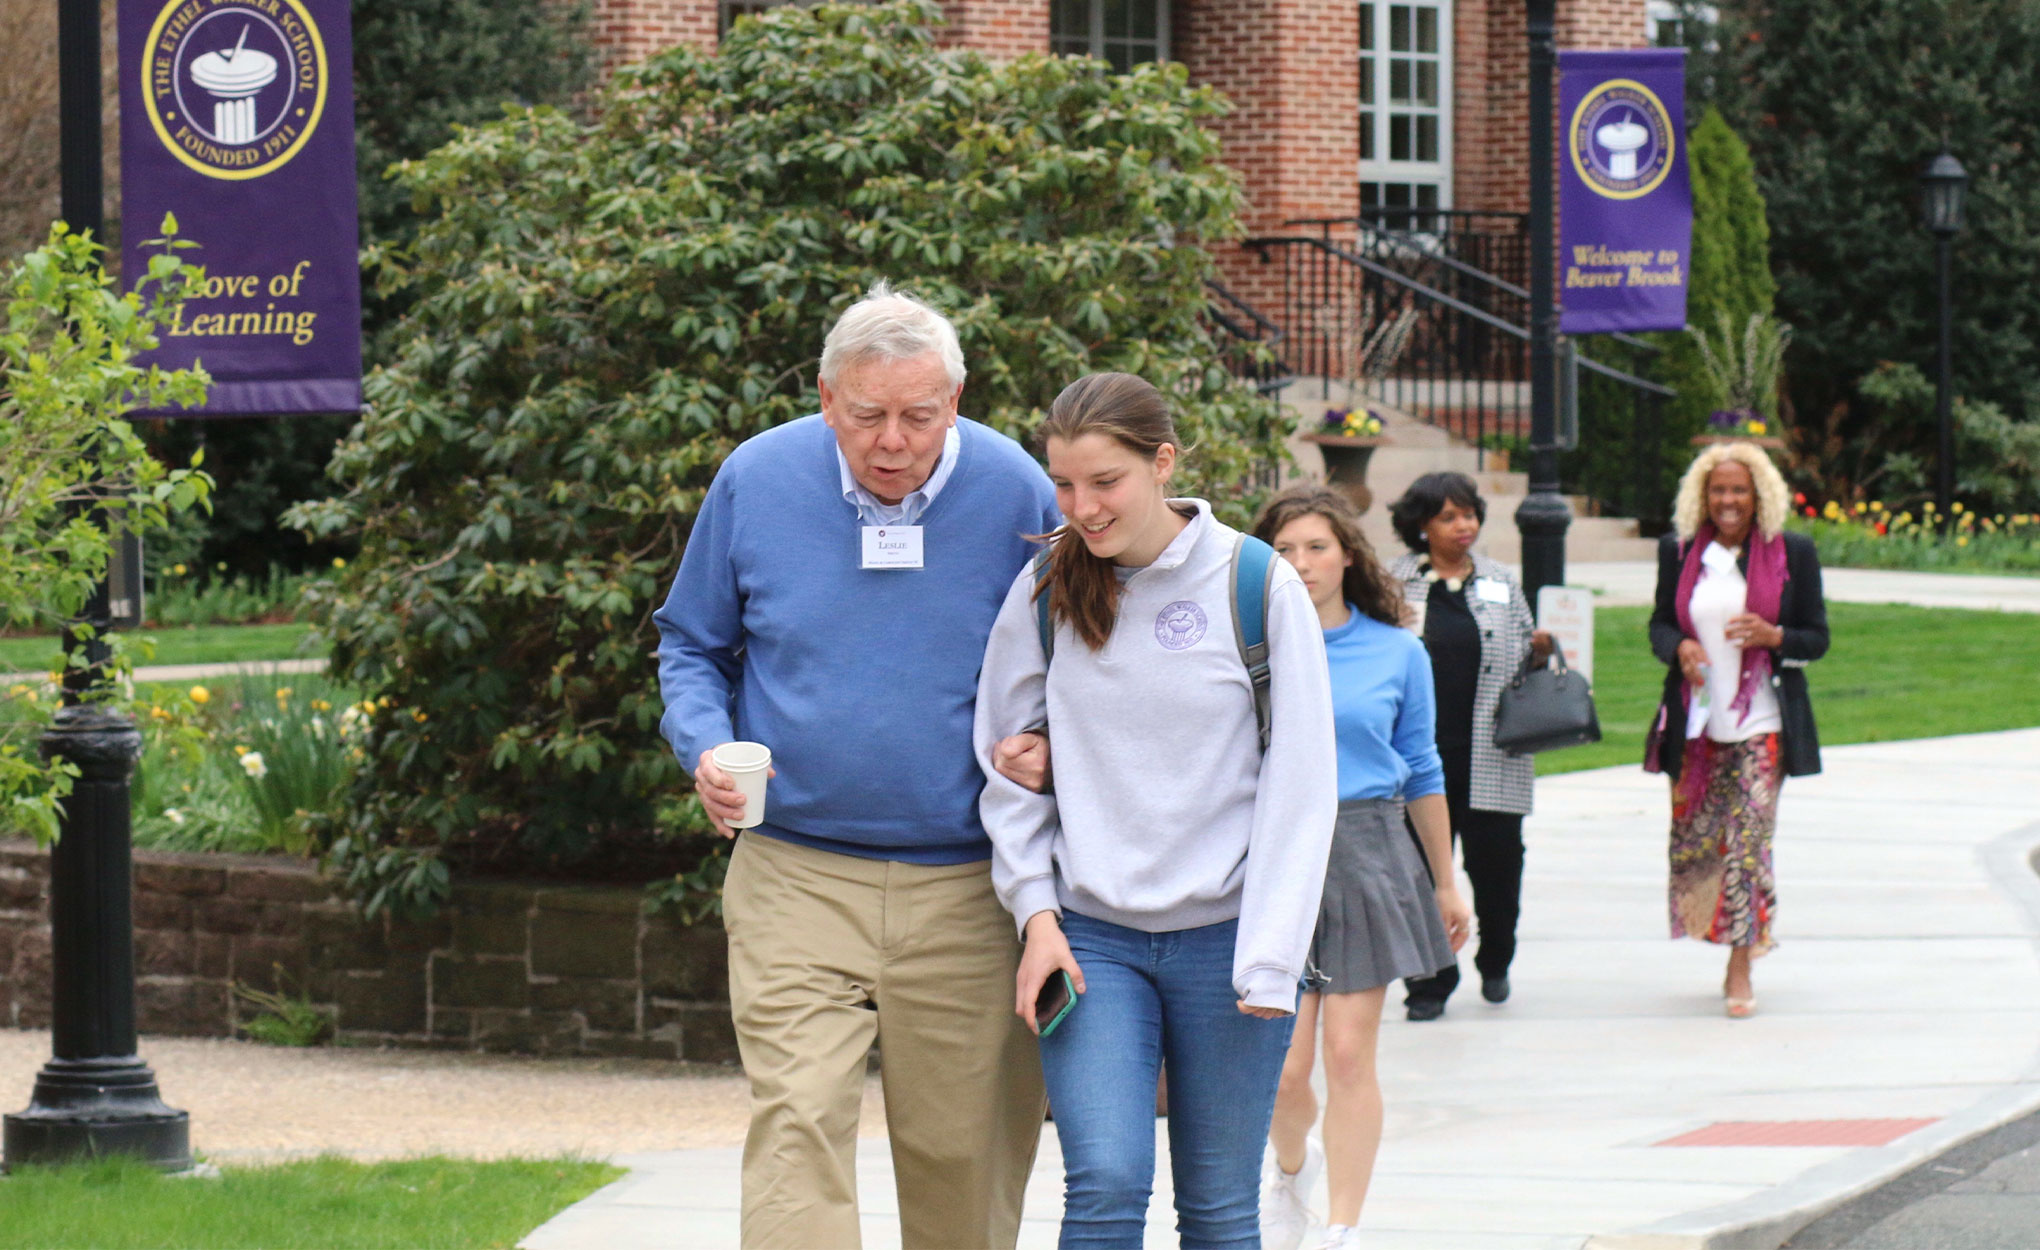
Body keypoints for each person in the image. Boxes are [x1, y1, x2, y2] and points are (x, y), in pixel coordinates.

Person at [653, 281, 1060, 1249]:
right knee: (796, 1129)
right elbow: (692, 644)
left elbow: (1079, 662)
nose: (892, 442)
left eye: (918, 415)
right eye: (868, 415)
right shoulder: (757, 478)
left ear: (955, 400)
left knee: (964, 1159)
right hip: (795, 871)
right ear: (828, 398)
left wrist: (1055, 742)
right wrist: (704, 746)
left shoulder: (1017, 491)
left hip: (971, 883)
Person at [974, 372, 1339, 1247]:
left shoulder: (1254, 582)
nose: (1082, 507)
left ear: (1163, 462)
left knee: (1217, 1206)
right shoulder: (1045, 586)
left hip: (1229, 942)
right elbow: (1005, 767)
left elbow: (1302, 782)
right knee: (1104, 1183)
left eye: (1105, 482)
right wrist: (1036, 917)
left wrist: (1271, 957)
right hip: (1091, 940)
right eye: (1065, 484)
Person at [1251, 485, 1472, 1250]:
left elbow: (1422, 766)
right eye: (1283, 550)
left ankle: (1343, 1225)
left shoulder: (1397, 651)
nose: (1301, 563)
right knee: (1283, 1071)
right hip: (1276, 857)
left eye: (1316, 547)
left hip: (1368, 850)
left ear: (1348, 554)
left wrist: (1445, 879)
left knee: (1348, 1055)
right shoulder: (1252, 649)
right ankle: (1290, 1171)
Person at [1645, 442, 1828, 1018]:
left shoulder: (1791, 553)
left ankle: (1741, 962)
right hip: (1698, 725)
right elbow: (1658, 625)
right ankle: (1730, 930)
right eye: (1718, 490)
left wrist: (1776, 637)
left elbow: (1817, 638)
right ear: (1703, 496)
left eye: (1739, 490)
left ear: (1759, 495)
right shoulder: (1679, 552)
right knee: (1699, 846)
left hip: (1763, 722)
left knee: (1748, 845)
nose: (1728, 500)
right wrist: (1680, 646)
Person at [1384, 471, 1552, 1020]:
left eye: (1470, 514)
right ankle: (1428, 984)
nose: (1464, 526)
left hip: (1492, 755)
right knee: (1418, 876)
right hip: (1416, 760)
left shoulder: (1501, 580)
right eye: (1449, 517)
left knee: (1498, 872)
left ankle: (1497, 959)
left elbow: (1525, 657)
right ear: (1421, 525)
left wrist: (1540, 650)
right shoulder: (1393, 582)